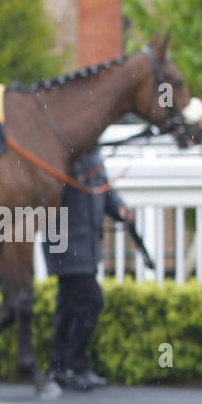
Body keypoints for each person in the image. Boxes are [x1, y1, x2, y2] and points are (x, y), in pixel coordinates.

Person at [45, 149, 131, 390]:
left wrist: (119, 208)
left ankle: (61, 368)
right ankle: (75, 366)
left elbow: (103, 188)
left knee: (69, 307)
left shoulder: (90, 153)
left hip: (85, 245)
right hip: (66, 244)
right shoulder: (64, 150)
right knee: (92, 301)